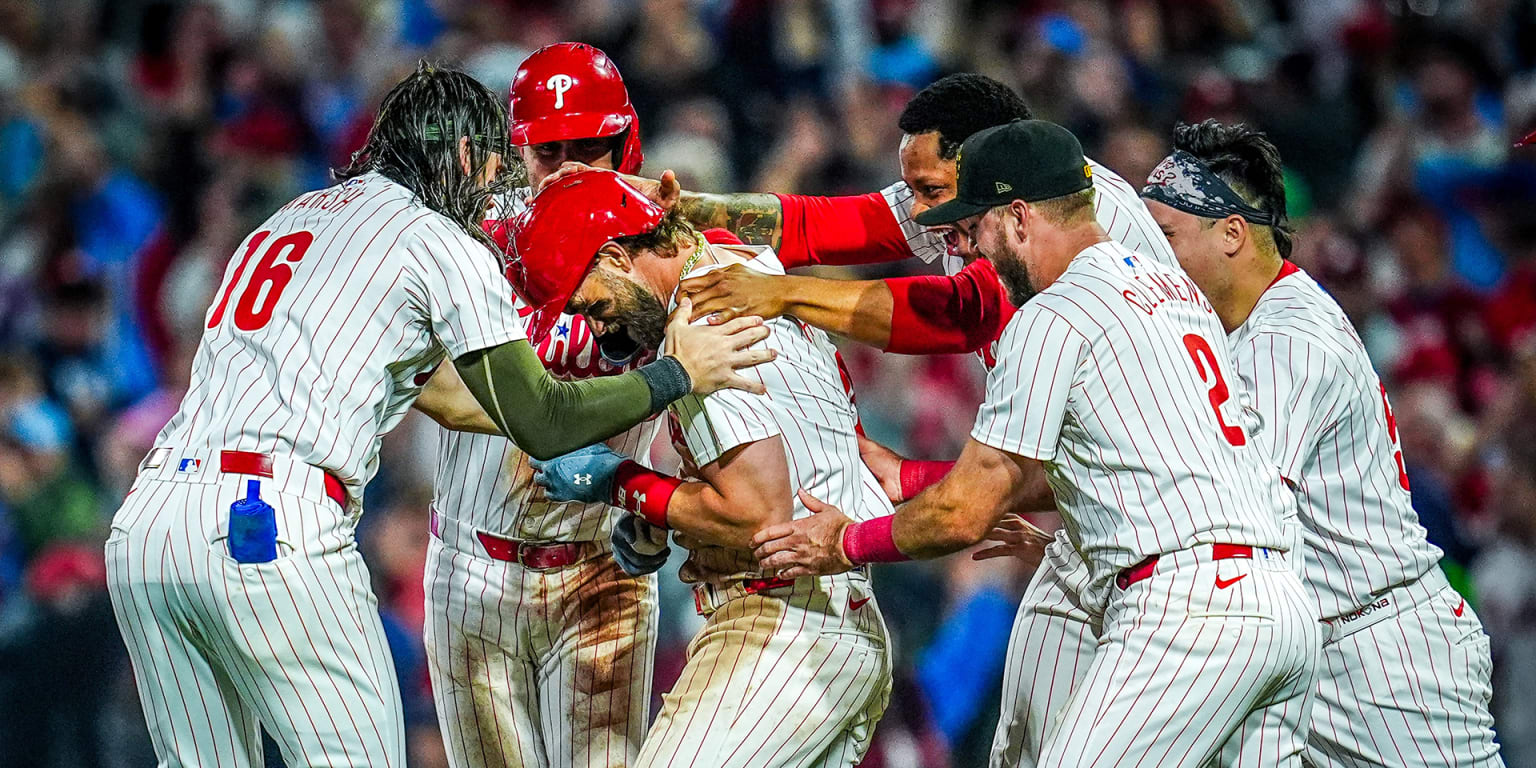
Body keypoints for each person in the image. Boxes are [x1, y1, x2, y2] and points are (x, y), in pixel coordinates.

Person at [104, 63, 771, 768]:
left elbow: (437, 391)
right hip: (271, 519)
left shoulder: (285, 220)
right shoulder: (439, 239)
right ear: (462, 155)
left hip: (148, 527)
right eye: (500, 162)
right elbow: (541, 418)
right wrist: (676, 373)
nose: (498, 186)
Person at [753, 120, 1319, 767]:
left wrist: (844, 541)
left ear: (1019, 217)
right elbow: (1129, 465)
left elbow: (964, 512)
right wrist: (912, 479)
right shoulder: (1175, 294)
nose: (972, 249)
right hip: (1280, 600)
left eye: (980, 227)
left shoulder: (1052, 314)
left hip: (1193, 612)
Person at [1138, 121, 1499, 768]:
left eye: (1165, 237)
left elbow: (1243, 509)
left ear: (1230, 233)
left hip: (1385, 658)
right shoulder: (1239, 327)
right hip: (1318, 647)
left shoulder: (1288, 338)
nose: (1150, 258)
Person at [520, 169, 893, 768]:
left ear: (616, 256)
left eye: (593, 303)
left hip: (785, 627)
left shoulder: (699, 324)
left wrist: (623, 484)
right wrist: (671, 516)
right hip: (836, 625)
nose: (596, 326)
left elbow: (758, 516)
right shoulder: (741, 265)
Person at [409, 43, 667, 768]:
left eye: (589, 147)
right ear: (517, 150)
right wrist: (547, 409)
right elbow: (426, 384)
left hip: (599, 577)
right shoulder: (472, 239)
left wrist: (657, 507)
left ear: (625, 140)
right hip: (473, 569)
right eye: (549, 151)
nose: (571, 167)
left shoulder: (661, 247)